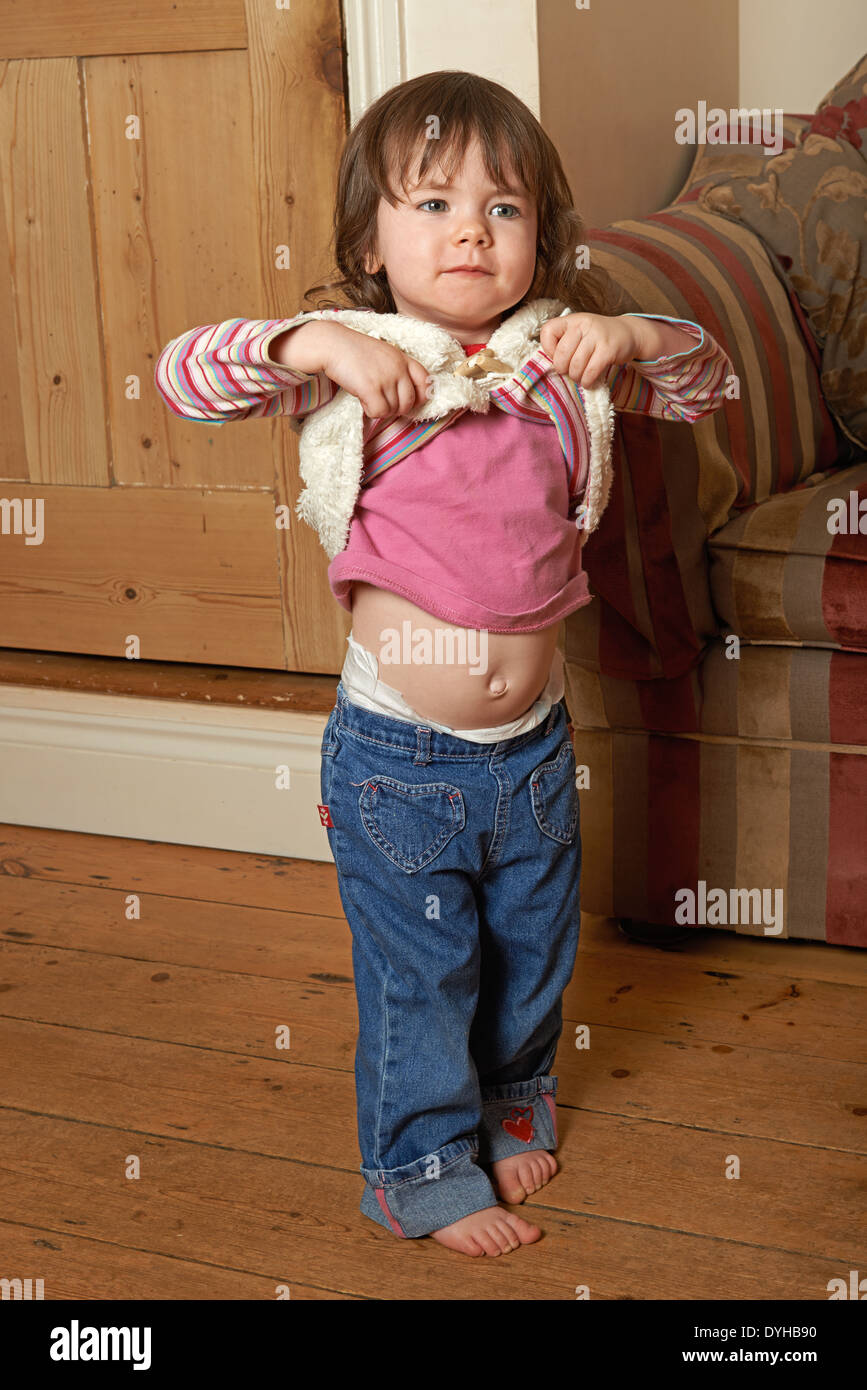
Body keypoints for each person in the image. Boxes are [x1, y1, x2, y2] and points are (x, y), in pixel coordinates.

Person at [155, 70, 733, 1258]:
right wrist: (303, 338)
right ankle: (415, 1165)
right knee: (424, 968)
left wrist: (628, 335)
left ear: (541, 240)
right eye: (431, 202)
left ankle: (510, 1100)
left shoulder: (559, 357)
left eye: (505, 207)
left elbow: (704, 378)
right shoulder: (353, 358)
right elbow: (185, 376)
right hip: (398, 763)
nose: (471, 226)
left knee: (533, 949)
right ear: (370, 241)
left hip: (533, 752)